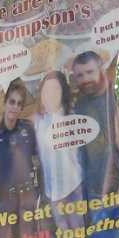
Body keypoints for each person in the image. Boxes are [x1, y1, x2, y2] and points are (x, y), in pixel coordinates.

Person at [68, 47, 119, 200]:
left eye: (90, 72)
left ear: (100, 70)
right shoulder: (79, 104)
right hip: (86, 193)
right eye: (80, 75)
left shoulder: (115, 101)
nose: (85, 79)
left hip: (117, 192)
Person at [0, 78, 41, 223]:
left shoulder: (28, 129)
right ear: (4, 104)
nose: (15, 107)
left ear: (21, 109)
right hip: (1, 201)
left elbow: (40, 158)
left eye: (19, 104)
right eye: (12, 102)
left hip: (26, 199)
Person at [30, 69, 83, 208]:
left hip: (76, 190)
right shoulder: (38, 123)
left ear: (63, 92)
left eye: (55, 90)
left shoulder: (74, 117)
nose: (50, 95)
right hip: (51, 196)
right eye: (46, 91)